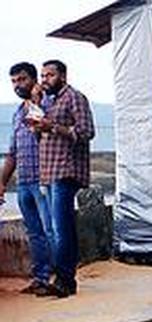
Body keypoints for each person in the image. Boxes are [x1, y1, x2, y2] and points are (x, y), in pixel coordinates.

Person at [34, 59, 94, 298]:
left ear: (63, 76)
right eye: (42, 75)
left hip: (66, 171)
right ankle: (60, 278)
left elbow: (87, 132)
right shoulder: (48, 102)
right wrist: (39, 126)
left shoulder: (75, 97)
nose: (44, 80)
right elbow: (44, 136)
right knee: (57, 228)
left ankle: (66, 281)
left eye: (49, 75)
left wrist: (54, 127)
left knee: (62, 229)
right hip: (49, 172)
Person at [0, 62, 53, 295]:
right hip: (24, 183)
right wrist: (2, 182)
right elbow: (13, 152)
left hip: (45, 179)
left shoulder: (47, 105)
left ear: (33, 80)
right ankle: (40, 278)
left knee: (51, 230)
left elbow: (45, 132)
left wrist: (37, 100)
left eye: (22, 79)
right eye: (13, 81)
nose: (17, 85)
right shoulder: (16, 113)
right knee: (34, 233)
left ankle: (57, 279)